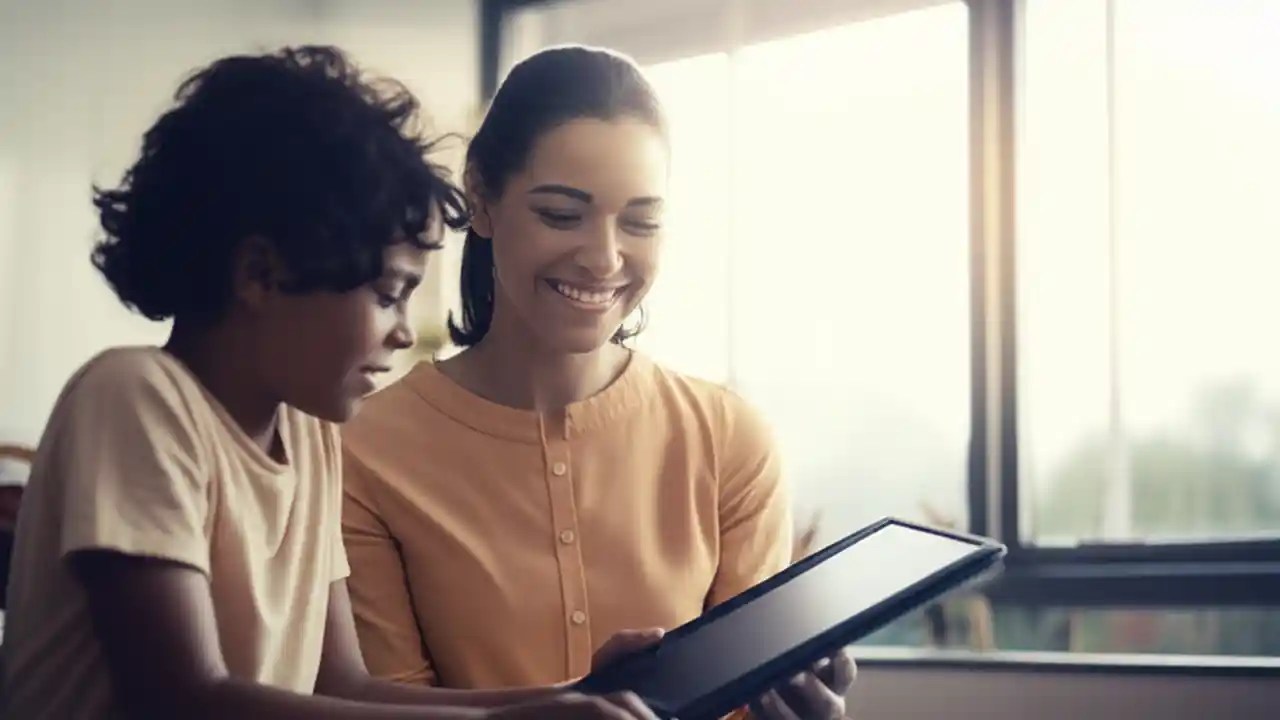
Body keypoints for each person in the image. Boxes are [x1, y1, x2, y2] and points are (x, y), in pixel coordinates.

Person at [0, 45, 664, 720]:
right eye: (388, 293)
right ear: (260, 275)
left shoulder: (310, 432)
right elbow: (184, 700)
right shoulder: (135, 399)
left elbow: (341, 686)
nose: (405, 333)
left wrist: (572, 697)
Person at [340, 45, 857, 719]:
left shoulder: (730, 440)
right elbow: (389, 711)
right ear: (482, 200)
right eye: (562, 214)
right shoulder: (366, 452)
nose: (605, 258)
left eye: (641, 221)